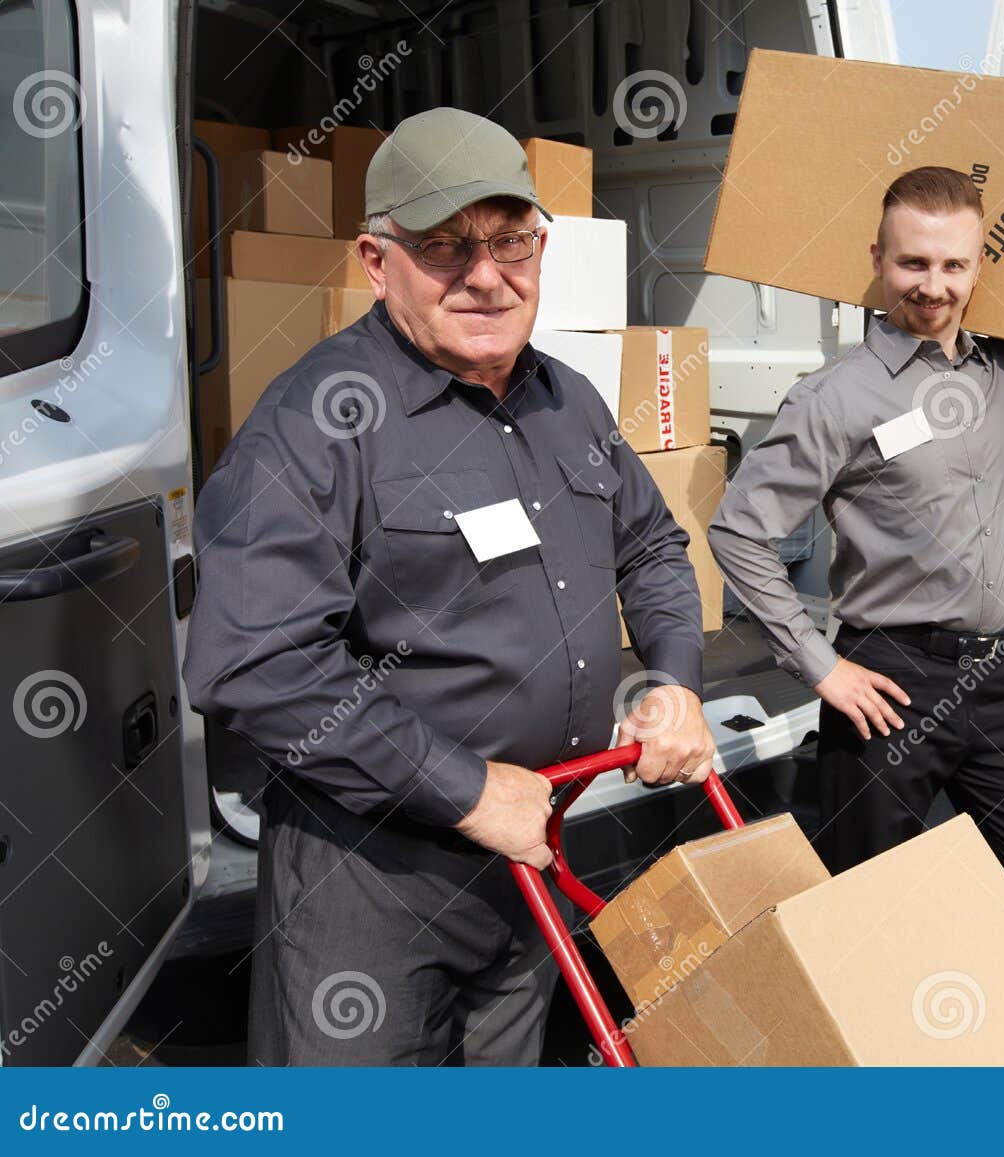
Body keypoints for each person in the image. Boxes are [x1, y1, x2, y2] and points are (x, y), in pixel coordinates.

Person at [184, 107, 714, 1063]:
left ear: (541, 248)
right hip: (372, 875)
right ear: (377, 261)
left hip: (533, 855)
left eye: (511, 240)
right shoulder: (315, 422)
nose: (486, 274)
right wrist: (465, 789)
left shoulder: (568, 399)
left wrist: (672, 680)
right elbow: (253, 664)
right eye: (443, 246)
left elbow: (651, 548)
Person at [708, 165, 1004, 977]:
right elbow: (739, 532)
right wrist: (820, 665)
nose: (933, 287)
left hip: (998, 680)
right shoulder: (836, 397)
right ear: (877, 257)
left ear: (979, 268)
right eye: (913, 263)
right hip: (887, 685)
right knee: (863, 912)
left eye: (953, 265)